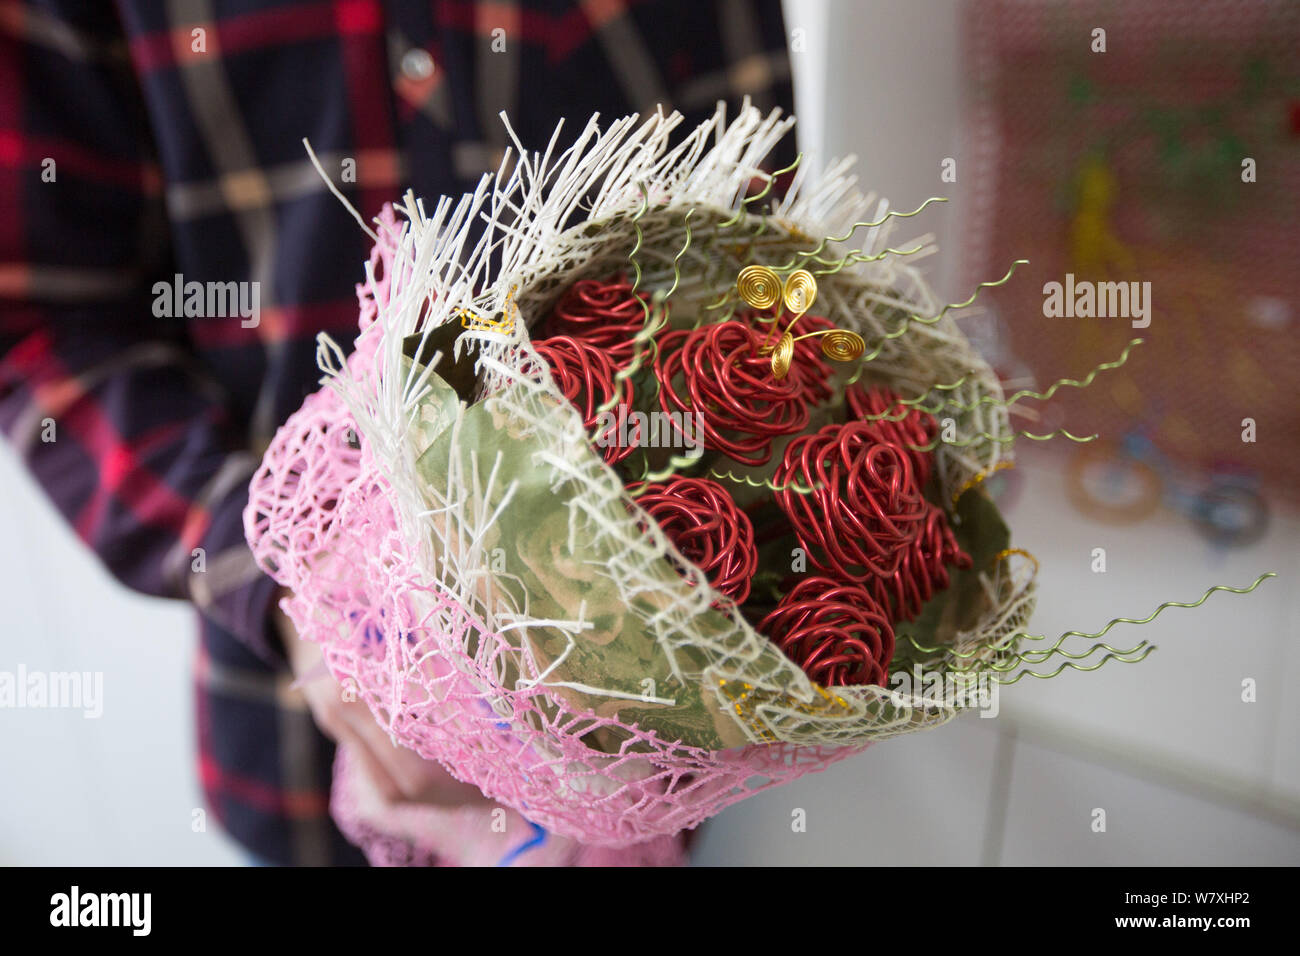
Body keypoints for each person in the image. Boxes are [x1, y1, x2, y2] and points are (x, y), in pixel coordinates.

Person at [0, 0, 794, 865]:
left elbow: (754, 233)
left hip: (662, 737)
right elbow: (42, 328)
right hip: (306, 743)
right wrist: (288, 582)